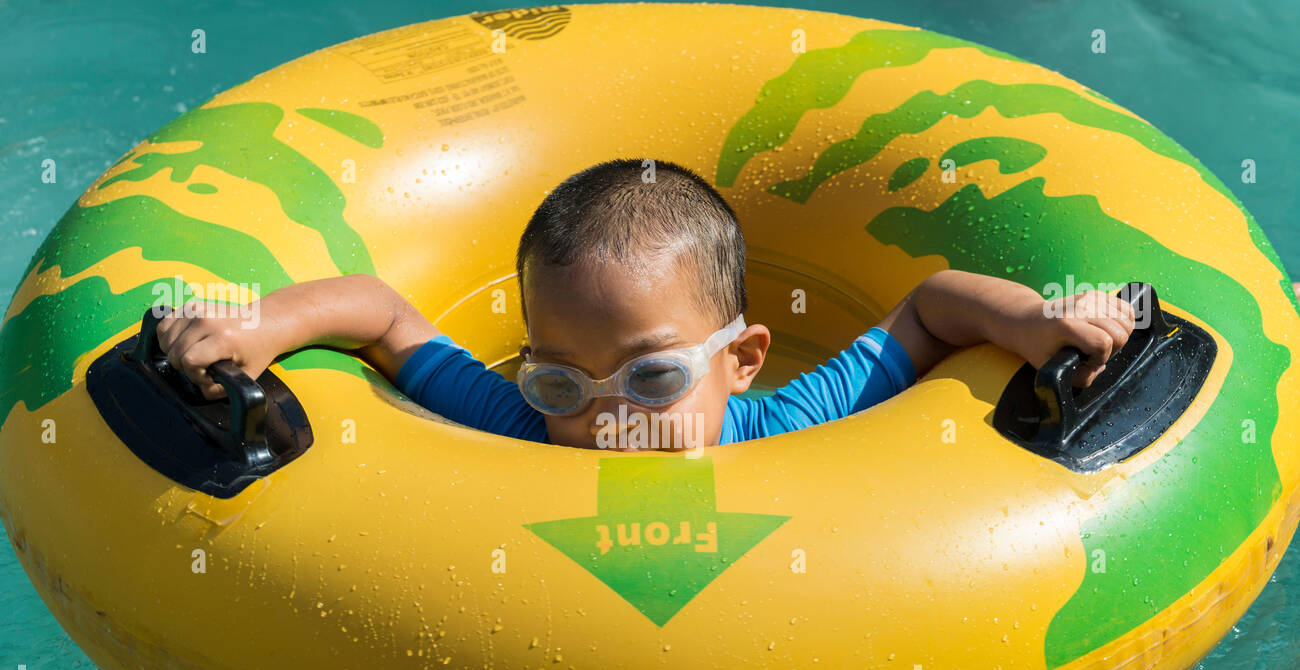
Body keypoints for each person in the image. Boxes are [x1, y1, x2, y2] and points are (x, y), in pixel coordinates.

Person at [156, 158, 1137, 451]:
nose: (605, 414)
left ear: (742, 359)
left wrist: (1031, 322)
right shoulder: (517, 422)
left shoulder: (788, 420)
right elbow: (377, 310)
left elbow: (926, 311)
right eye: (557, 378)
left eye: (655, 375)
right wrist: (260, 326)